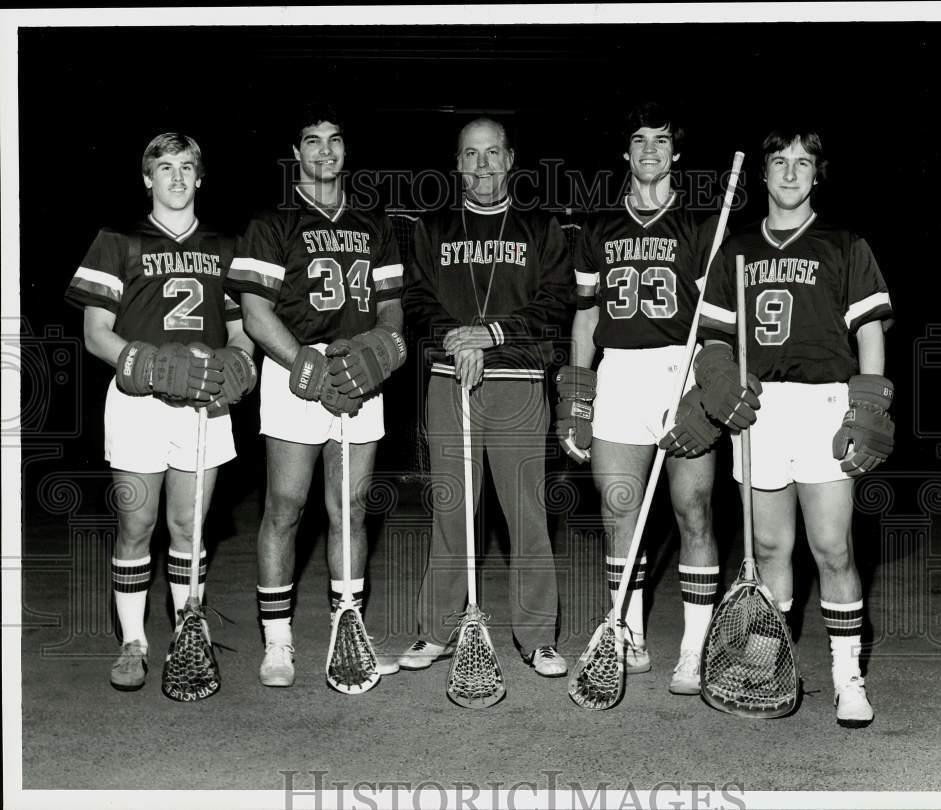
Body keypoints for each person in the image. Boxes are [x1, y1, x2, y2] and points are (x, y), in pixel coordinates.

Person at [698, 128, 894, 727]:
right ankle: (770, 659)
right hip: (760, 407)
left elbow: (869, 331)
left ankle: (846, 674)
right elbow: (713, 337)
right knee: (767, 546)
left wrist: (868, 404)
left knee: (832, 546)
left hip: (824, 403)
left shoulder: (844, 242)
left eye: (802, 163)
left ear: (818, 173)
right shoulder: (735, 247)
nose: (790, 173)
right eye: (779, 162)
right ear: (763, 173)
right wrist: (715, 377)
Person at [65, 133, 258, 691]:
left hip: (204, 401)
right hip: (138, 402)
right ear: (146, 178)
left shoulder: (226, 246)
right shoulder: (117, 240)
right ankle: (133, 641)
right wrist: (149, 364)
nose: (176, 177)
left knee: (187, 524)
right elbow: (96, 333)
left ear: (201, 177)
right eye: (164, 167)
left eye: (187, 167)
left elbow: (244, 331)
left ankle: (187, 631)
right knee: (137, 524)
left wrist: (236, 365)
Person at [224, 105, 407, 687]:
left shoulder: (375, 222)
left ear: (345, 152)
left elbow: (392, 306)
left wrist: (380, 349)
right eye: (312, 141)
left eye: (334, 141)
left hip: (358, 370)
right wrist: (303, 364)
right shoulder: (273, 221)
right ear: (296, 153)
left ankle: (346, 632)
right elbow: (254, 311)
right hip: (295, 369)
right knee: (285, 506)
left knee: (350, 508)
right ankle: (277, 642)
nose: (325, 151)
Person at [557, 102, 723, 694]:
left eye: (661, 140)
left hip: (681, 370)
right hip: (620, 374)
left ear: (676, 153)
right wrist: (579, 394)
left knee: (693, 509)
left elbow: (719, 324)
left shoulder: (703, 225)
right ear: (625, 153)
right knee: (619, 508)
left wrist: (706, 389)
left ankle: (694, 650)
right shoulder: (598, 229)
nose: (649, 150)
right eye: (638, 140)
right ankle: (627, 633)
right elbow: (584, 322)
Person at [401, 117, 574, 677]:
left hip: (520, 385)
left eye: (492, 153)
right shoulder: (432, 229)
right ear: (457, 164)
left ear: (510, 159)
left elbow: (556, 303)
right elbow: (418, 299)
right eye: (470, 155)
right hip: (449, 381)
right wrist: (460, 340)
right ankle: (439, 631)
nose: (482, 166)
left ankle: (538, 636)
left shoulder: (540, 228)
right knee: (454, 508)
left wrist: (492, 336)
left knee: (525, 512)